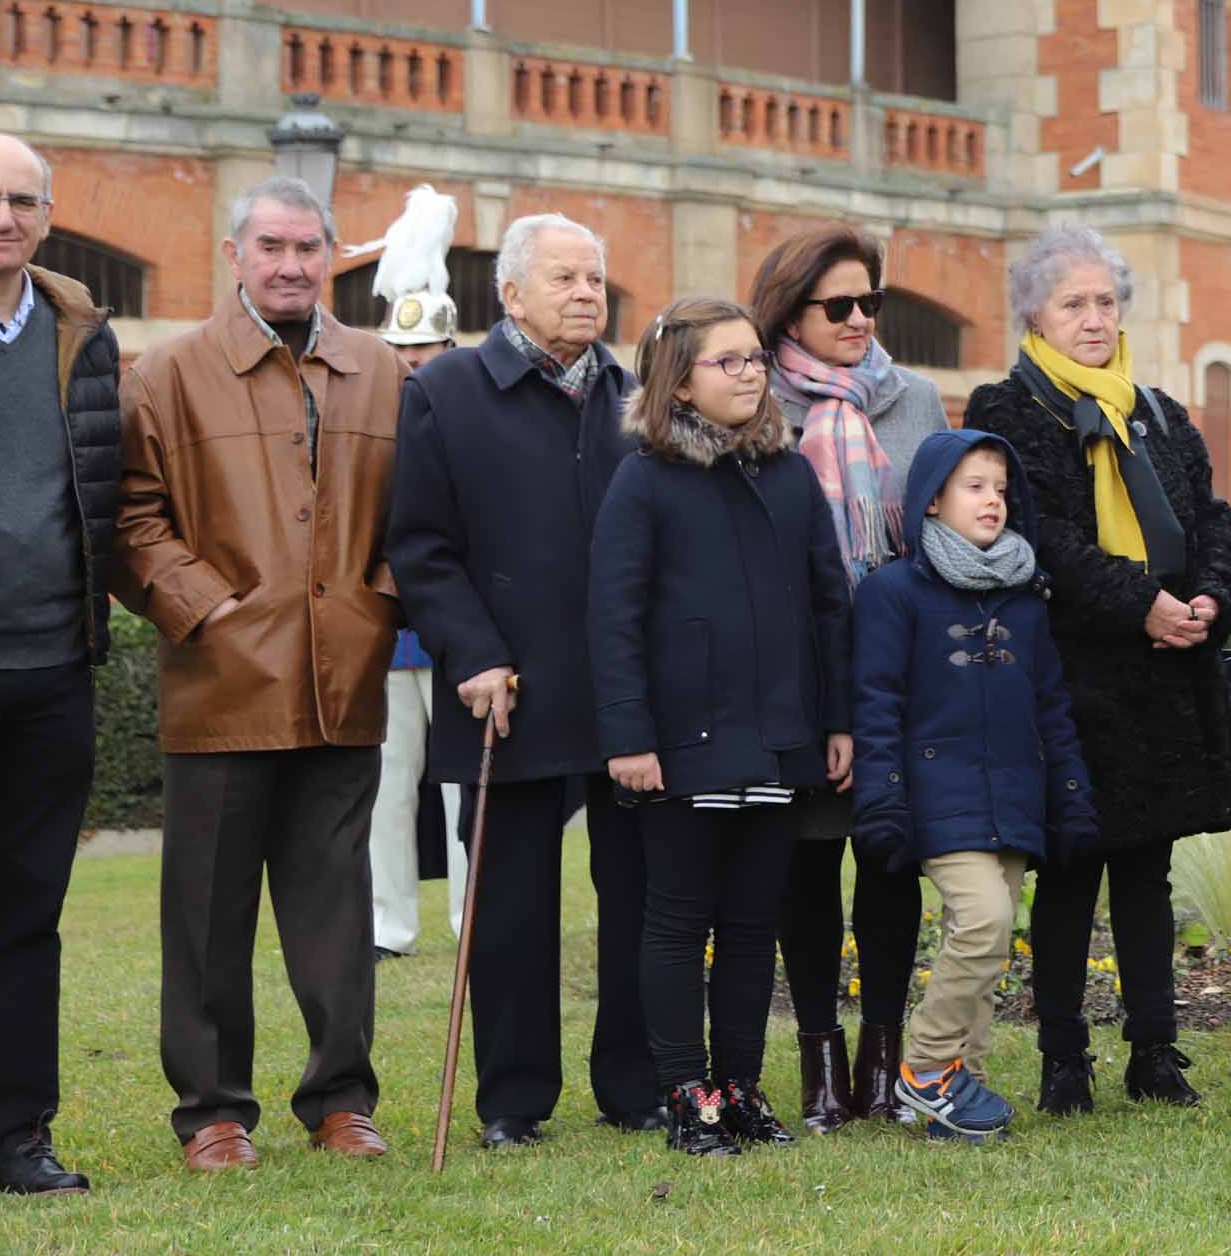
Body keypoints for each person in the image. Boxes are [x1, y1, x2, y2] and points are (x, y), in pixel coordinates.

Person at [115, 176, 402, 1171]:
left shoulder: (380, 369)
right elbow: (132, 519)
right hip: (222, 683)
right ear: (233, 252)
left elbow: (415, 514)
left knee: (338, 911)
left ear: (331, 257)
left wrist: (377, 603)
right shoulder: (167, 372)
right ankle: (211, 1111)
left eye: (307, 246)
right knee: (205, 915)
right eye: (270, 245)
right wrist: (211, 609)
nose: (289, 262)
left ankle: (340, 1098)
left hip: (344, 684)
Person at [964, 226, 1231, 1116]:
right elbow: (1037, 533)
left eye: (1106, 302)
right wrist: (1141, 603)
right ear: (1035, 315)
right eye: (1074, 304)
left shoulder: (1157, 409)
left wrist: (1207, 599)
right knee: (1069, 872)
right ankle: (1064, 1061)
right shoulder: (1007, 408)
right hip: (1068, 678)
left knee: (1147, 877)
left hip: (1167, 679)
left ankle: (1155, 1054)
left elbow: (1211, 519)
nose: (1094, 320)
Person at [388, 215, 658, 1144]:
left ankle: (637, 1083)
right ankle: (512, 1099)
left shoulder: (633, 394)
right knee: (508, 909)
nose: (587, 293)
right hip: (506, 689)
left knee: (640, 898)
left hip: (626, 697)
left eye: (596, 278)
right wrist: (473, 651)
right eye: (564, 279)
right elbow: (419, 546)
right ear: (509, 294)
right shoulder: (448, 391)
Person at [588, 296, 853, 1158]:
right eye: (727, 362)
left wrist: (835, 721)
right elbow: (614, 616)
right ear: (681, 383)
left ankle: (739, 1089)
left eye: (753, 359)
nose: (749, 373)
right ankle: (685, 1096)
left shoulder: (787, 471)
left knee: (750, 924)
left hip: (776, 736)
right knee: (677, 920)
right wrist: (628, 735)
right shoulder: (645, 478)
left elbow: (828, 605)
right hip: (679, 744)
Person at [0, 135, 120, 1196]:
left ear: (46, 216)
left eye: (21, 200)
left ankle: (10, 1139)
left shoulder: (77, 332)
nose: (0, 216)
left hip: (54, 669)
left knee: (21, 916)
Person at [748, 227, 952, 1133]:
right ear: (791, 311)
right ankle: (819, 1055)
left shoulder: (914, 400)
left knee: (888, 858)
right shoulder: (751, 404)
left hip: (897, 668)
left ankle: (883, 1052)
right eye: (840, 306)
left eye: (873, 301)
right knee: (807, 863)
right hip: (796, 674)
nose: (862, 319)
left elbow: (944, 532)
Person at [852, 431, 1095, 1143]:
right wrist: (883, 798)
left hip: (1015, 794)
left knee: (983, 944)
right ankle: (925, 1067)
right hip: (939, 792)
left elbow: (1050, 704)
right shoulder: (894, 592)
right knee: (984, 919)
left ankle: (963, 1096)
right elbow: (876, 703)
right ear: (932, 500)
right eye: (974, 486)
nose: (993, 500)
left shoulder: (1024, 594)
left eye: (1000, 488)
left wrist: (1071, 793)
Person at [367, 286, 466, 965]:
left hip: (453, 633)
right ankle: (387, 927)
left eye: (423, 347)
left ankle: (475, 921)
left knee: (466, 790)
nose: (410, 360)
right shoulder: (365, 419)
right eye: (400, 348)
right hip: (384, 632)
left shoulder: (470, 418)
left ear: (448, 349)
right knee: (385, 788)